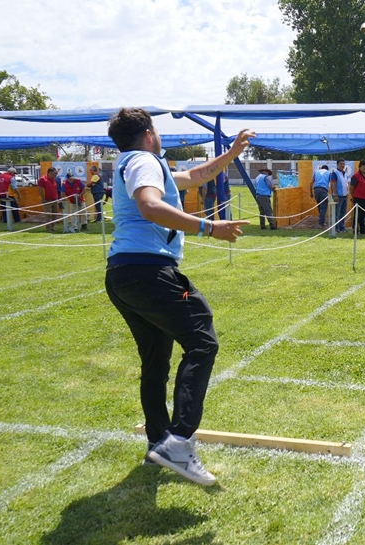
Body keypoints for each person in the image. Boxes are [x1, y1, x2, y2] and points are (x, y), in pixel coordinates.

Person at [104, 107, 252, 486]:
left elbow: (194, 176)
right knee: (201, 339)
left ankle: (158, 443)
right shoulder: (143, 160)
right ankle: (179, 440)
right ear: (149, 133)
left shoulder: (140, 162)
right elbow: (150, 206)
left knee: (156, 359)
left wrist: (232, 153)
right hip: (149, 272)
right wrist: (208, 227)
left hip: (124, 274)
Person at [350, 160, 365, 235]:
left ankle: (363, 230)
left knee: (363, 215)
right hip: (358, 198)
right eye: (363, 166)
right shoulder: (356, 176)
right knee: (357, 215)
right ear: (359, 166)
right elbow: (351, 187)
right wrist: (353, 196)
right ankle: (355, 230)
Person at [37, 167, 60, 233]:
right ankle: (48, 229)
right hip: (47, 200)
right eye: (54, 173)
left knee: (54, 214)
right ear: (49, 173)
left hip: (54, 199)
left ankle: (52, 227)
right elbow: (40, 190)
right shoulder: (42, 179)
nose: (55, 175)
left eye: (56, 173)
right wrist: (43, 199)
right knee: (48, 215)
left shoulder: (54, 179)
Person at [329, 159, 349, 233]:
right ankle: (335, 228)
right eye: (341, 164)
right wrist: (335, 195)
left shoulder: (344, 174)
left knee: (343, 213)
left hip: (345, 196)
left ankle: (342, 227)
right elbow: (333, 184)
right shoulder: (335, 173)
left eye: (343, 164)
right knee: (336, 213)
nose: (342, 165)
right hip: (338, 196)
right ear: (337, 165)